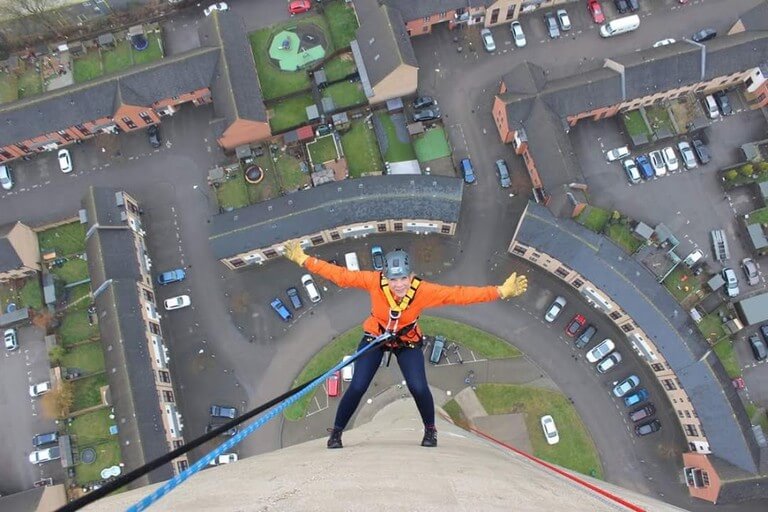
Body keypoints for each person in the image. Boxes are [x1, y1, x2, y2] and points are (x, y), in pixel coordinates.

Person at [283, 241, 528, 449]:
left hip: (406, 342)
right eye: (393, 279)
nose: (398, 285)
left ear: (411, 277)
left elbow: (459, 294)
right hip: (375, 338)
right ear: (385, 277)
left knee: (419, 387)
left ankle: (430, 429)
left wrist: (499, 292)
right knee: (357, 385)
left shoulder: (422, 291)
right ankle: (336, 432)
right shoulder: (373, 282)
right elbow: (340, 276)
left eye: (403, 279)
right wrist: (304, 259)